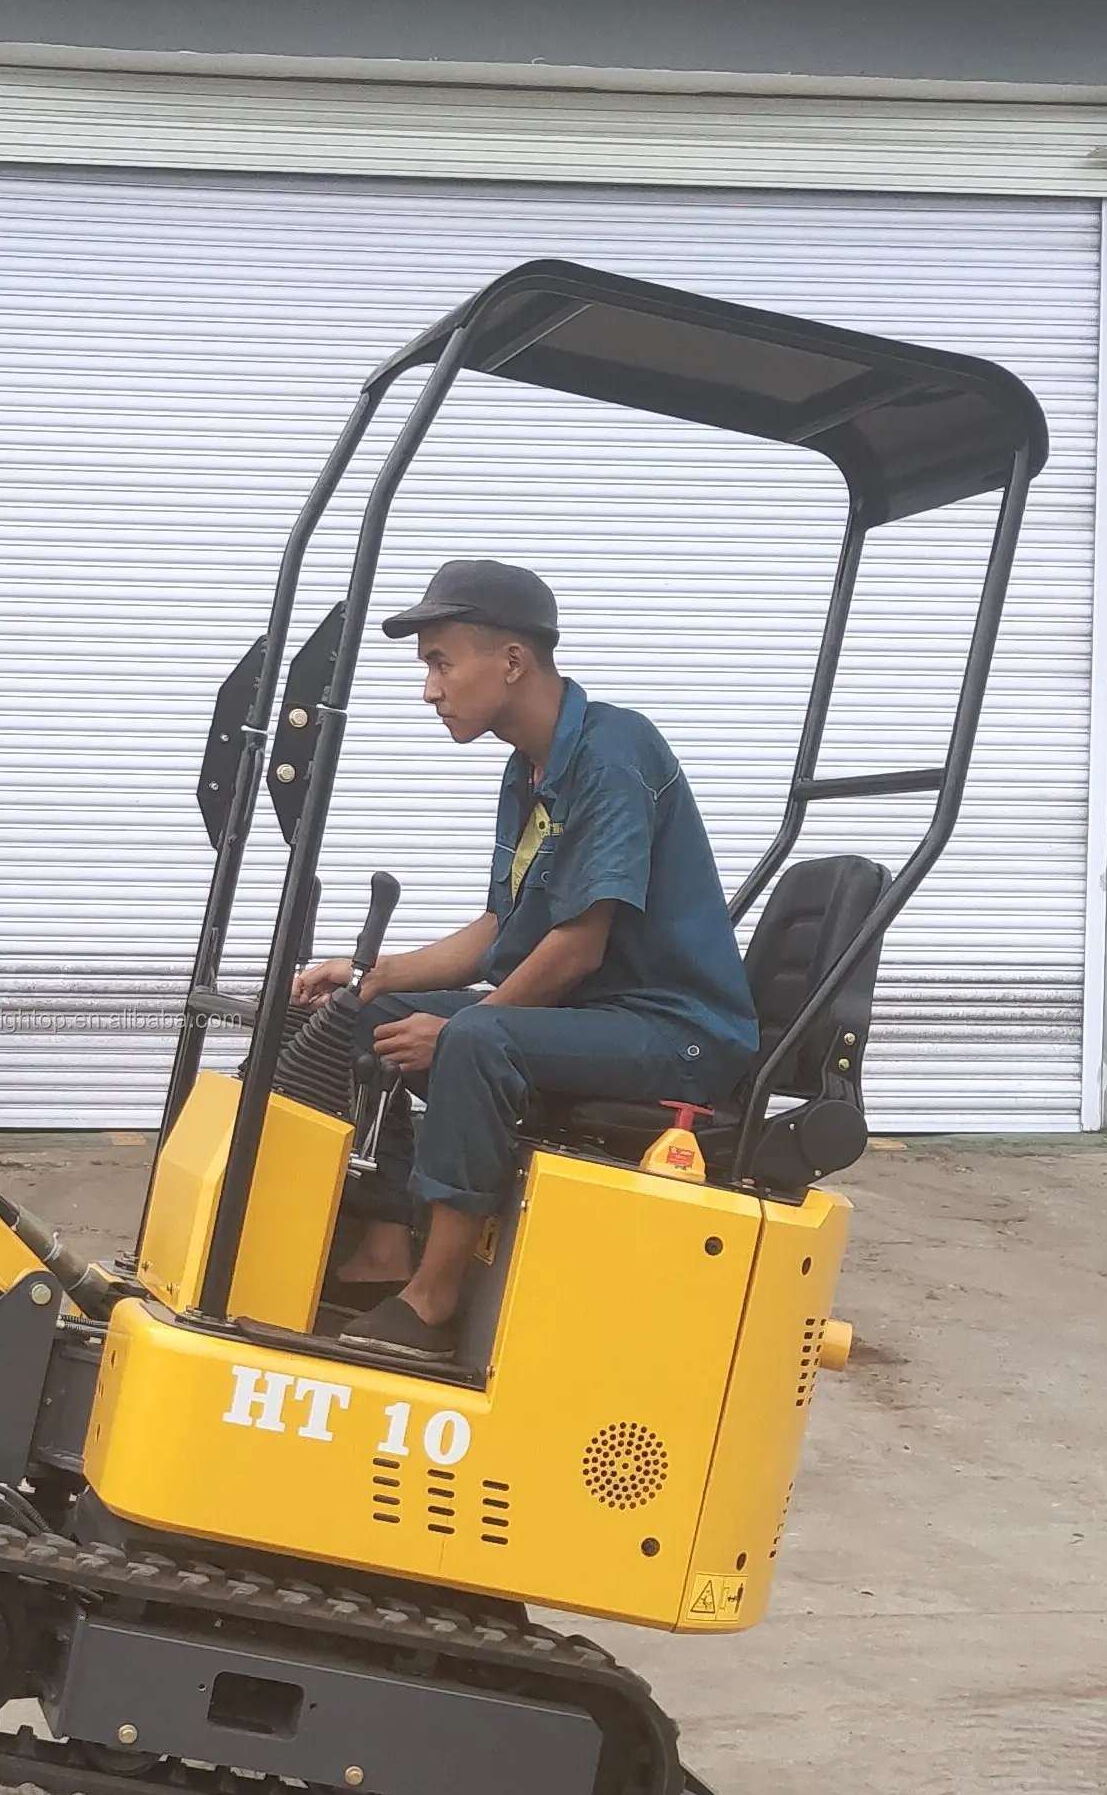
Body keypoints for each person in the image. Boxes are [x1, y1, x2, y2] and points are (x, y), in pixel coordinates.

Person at [285, 557, 757, 1358]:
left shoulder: (614, 753)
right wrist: (371, 976)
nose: (429, 690)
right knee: (370, 1016)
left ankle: (432, 1301)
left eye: (442, 663)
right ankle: (385, 1246)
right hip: (592, 1016)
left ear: (511, 661)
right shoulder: (527, 771)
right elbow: (499, 930)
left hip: (677, 1032)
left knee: (475, 1037)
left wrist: (462, 1030)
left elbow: (577, 947)